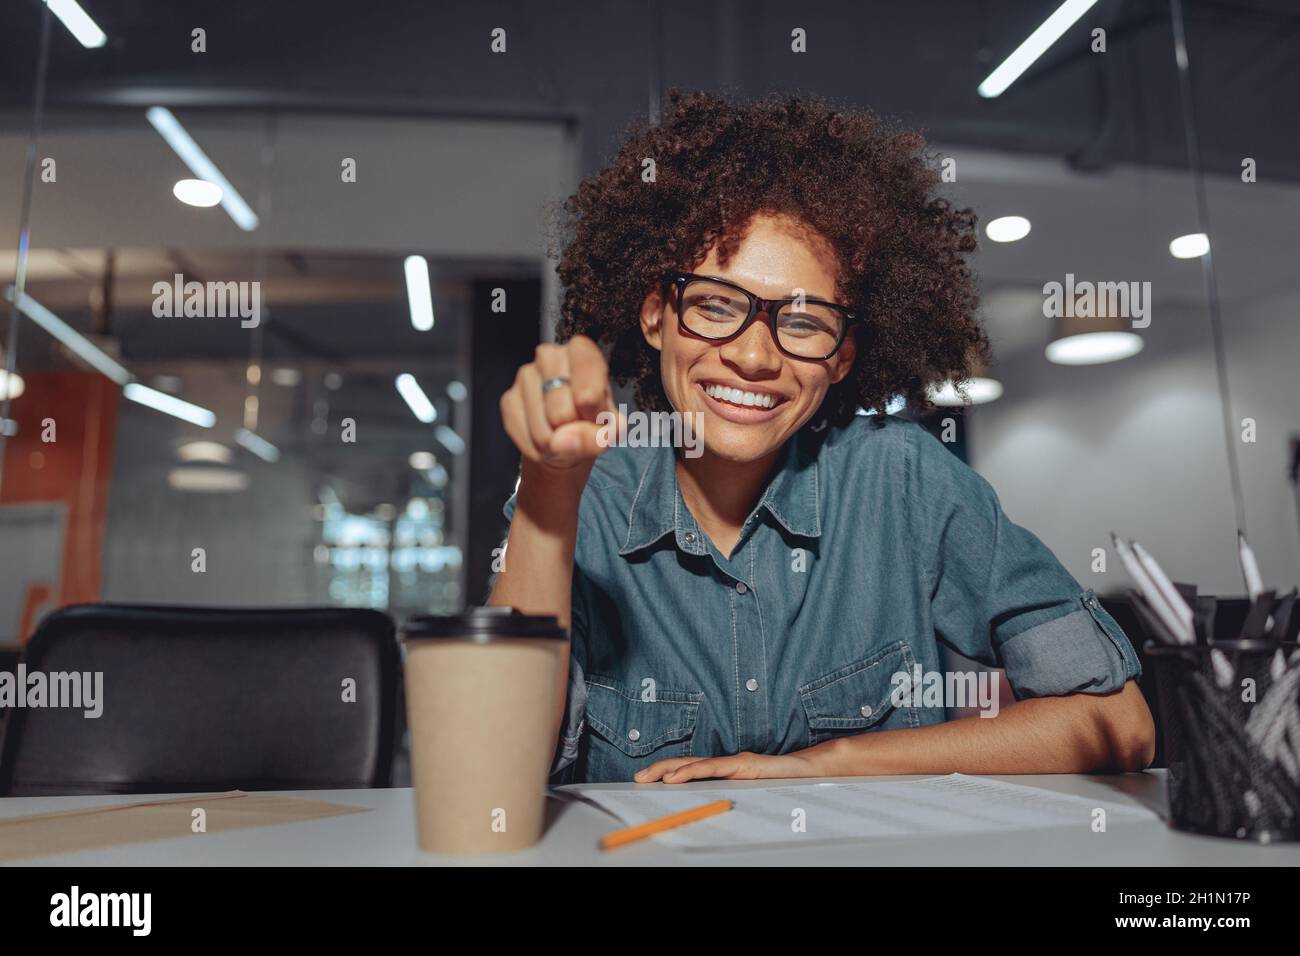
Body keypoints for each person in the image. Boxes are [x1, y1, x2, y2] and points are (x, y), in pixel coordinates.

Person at [489, 89, 1155, 785]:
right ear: (657, 316)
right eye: (717, 305)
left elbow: (1119, 723)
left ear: (842, 356)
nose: (754, 357)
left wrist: (832, 763)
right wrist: (547, 490)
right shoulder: (580, 500)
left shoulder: (906, 482)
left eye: (803, 322)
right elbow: (502, 774)